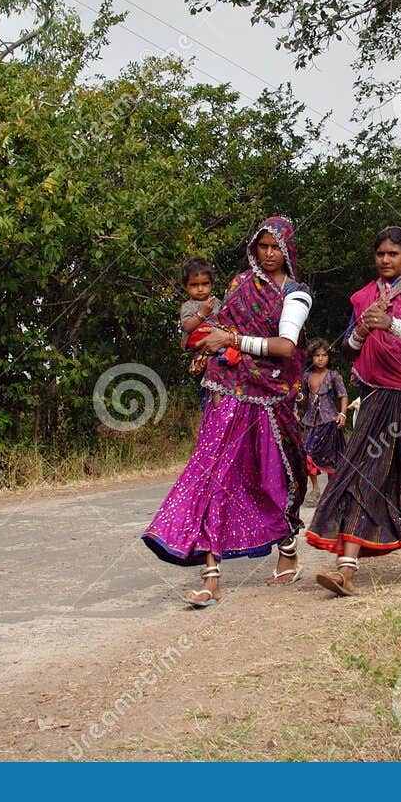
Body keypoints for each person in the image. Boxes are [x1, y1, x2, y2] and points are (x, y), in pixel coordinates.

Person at [143, 218, 312, 607]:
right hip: (230, 391)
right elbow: (209, 331)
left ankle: (287, 550)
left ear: (287, 249)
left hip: (274, 397)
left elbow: (285, 347)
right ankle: (211, 576)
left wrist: (231, 340)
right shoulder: (239, 285)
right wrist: (209, 345)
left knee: (278, 479)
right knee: (213, 476)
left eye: (275, 247)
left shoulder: (296, 293)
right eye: (262, 246)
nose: (268, 254)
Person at [308, 226, 401, 595]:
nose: (386, 260)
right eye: (381, 254)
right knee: (362, 474)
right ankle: (346, 571)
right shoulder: (363, 298)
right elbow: (347, 349)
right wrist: (361, 332)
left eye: (394, 254)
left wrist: (392, 325)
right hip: (376, 397)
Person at [298, 339, 349, 502]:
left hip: (330, 422)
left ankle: (331, 491)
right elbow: (304, 399)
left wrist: (342, 414)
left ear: (329, 357)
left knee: (332, 457)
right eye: (317, 355)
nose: (320, 358)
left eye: (324, 355)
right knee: (307, 454)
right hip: (311, 422)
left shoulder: (334, 376)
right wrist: (299, 397)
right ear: (311, 357)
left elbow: (343, 395)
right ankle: (315, 489)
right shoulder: (306, 377)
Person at [178, 258, 221, 396]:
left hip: (219, 347)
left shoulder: (218, 303)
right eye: (194, 285)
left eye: (205, 284)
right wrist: (202, 313)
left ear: (212, 284)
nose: (200, 289)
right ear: (186, 287)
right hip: (200, 351)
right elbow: (187, 327)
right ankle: (212, 411)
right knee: (209, 386)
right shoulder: (188, 306)